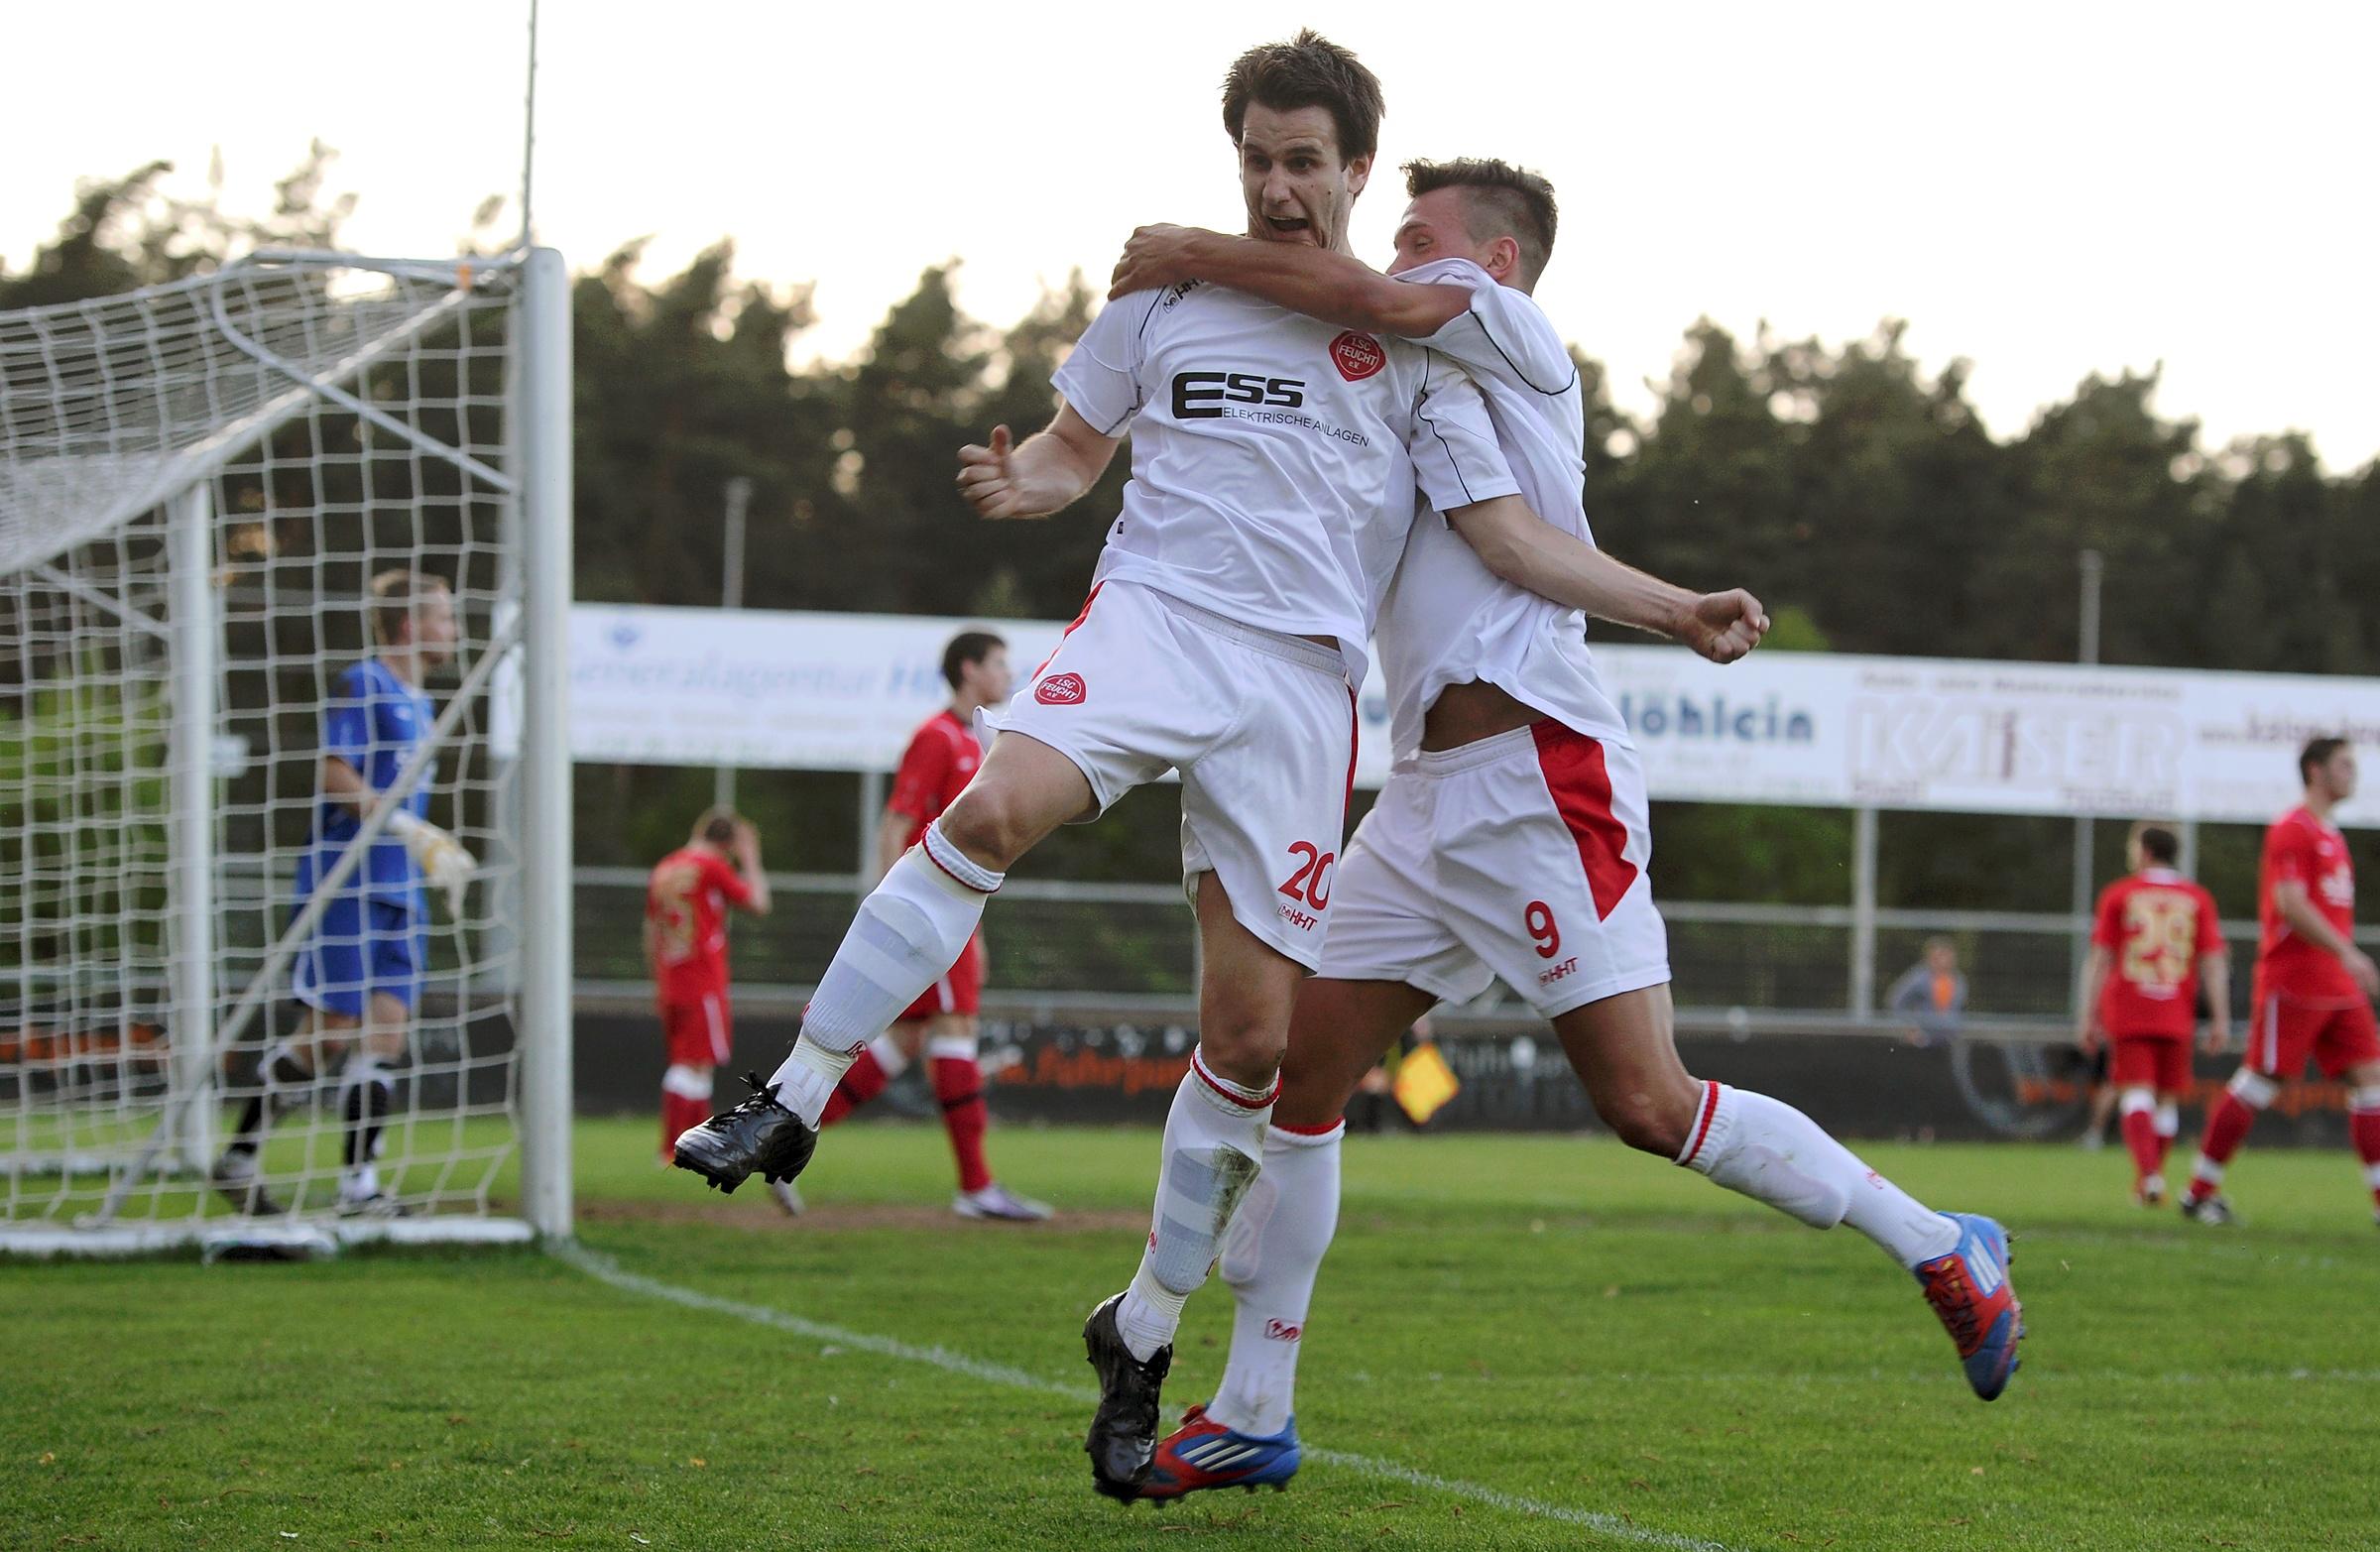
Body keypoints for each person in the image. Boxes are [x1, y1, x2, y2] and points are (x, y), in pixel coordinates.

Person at [669, 32, 1743, 1499]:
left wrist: (1673, 606)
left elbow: (1505, 536)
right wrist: (1023, 480)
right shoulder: (1163, 299)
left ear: (1355, 169)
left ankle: (1148, 1326)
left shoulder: (1417, 345)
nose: (1279, 184)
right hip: (1159, 620)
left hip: (1304, 689)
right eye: (1257, 158)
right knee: (994, 808)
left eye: (1305, 161)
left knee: (1248, 1044)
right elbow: (1068, 449)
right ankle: (793, 1085)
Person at [1100, 156, 2022, 1497]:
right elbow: (1492, 531)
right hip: (1420, 800)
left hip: (1539, 771)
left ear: (1499, 265)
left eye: (1423, 236)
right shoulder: (1428, 401)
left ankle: (1942, 1243)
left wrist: (1192, 246)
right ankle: (1253, 1407)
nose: (1397, 256)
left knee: (1648, 1102)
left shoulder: (1511, 337)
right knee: (1296, 1072)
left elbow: (1494, 497)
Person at [211, 569, 474, 1217]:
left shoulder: (424, 704)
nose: (455, 629)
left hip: (398, 891)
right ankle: (239, 1156)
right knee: (331, 1033)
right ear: (411, 625)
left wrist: (426, 846)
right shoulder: (367, 683)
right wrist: (406, 824)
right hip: (346, 884)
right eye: (445, 617)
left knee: (386, 1033)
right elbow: (335, 772)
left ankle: (359, 1186)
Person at [813, 630, 1052, 1221]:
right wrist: (891, 915)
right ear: (969, 670)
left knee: (909, 1040)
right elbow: (896, 824)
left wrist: (978, 932)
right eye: (998, 663)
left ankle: (790, 1139)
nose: (1008, 673)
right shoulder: (937, 737)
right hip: (930, 910)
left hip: (958, 913)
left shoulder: (979, 741)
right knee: (954, 1029)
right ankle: (977, 1186)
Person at [2183, 739, 2380, 1225]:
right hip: (2294, 981)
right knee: (2260, 1081)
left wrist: (2343, 960)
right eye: (2344, 765)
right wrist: (2347, 952)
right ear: (2316, 771)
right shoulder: (2292, 829)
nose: (2353, 773)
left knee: (2372, 1082)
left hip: (2337, 985)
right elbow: (2290, 902)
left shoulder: (2333, 835)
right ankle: (2200, 1192)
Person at [2075, 822, 2228, 1205]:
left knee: (2136, 1093)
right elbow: (2213, 961)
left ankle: (2149, 1177)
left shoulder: (2120, 895)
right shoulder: (2198, 897)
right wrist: (2221, 1018)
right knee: (2167, 1099)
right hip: (2176, 1009)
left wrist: (2086, 1014)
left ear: (2143, 851)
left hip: (2130, 1007)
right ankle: (2150, 1181)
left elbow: (2101, 959)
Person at [645, 807, 786, 1210]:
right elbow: (758, 903)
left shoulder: (666, 867)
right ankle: (678, 1150)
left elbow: (650, 929)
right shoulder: (710, 865)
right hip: (702, 979)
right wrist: (751, 859)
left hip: (671, 978)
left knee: (683, 1064)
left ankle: (681, 1148)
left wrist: (658, 978)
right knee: (697, 1064)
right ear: (727, 844)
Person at [1889, 938, 1968, 1047]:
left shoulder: (1959, 980)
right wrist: (1909, 1027)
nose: (1944, 960)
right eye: (1939, 956)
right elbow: (1896, 1002)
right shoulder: (1918, 978)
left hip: (1949, 1039)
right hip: (1923, 1040)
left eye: (1947, 955)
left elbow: (1957, 1010)